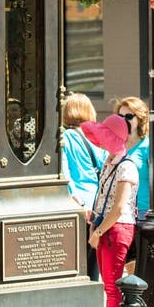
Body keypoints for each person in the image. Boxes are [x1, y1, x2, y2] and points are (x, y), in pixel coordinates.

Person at [81, 114, 139, 307]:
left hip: (117, 229)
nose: (101, 142)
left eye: (105, 137)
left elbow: (119, 208)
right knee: (109, 285)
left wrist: (98, 233)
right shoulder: (109, 163)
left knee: (113, 285)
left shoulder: (126, 167)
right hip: (106, 228)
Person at [61, 93, 106, 281]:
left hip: (79, 203)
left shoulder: (65, 137)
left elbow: (65, 173)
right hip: (99, 202)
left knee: (76, 259)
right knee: (94, 255)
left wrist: (73, 197)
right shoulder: (97, 137)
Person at [114, 96, 150, 220]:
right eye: (120, 117)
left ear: (140, 119)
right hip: (115, 211)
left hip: (141, 211)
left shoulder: (147, 145)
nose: (123, 120)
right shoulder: (115, 144)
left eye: (128, 116)